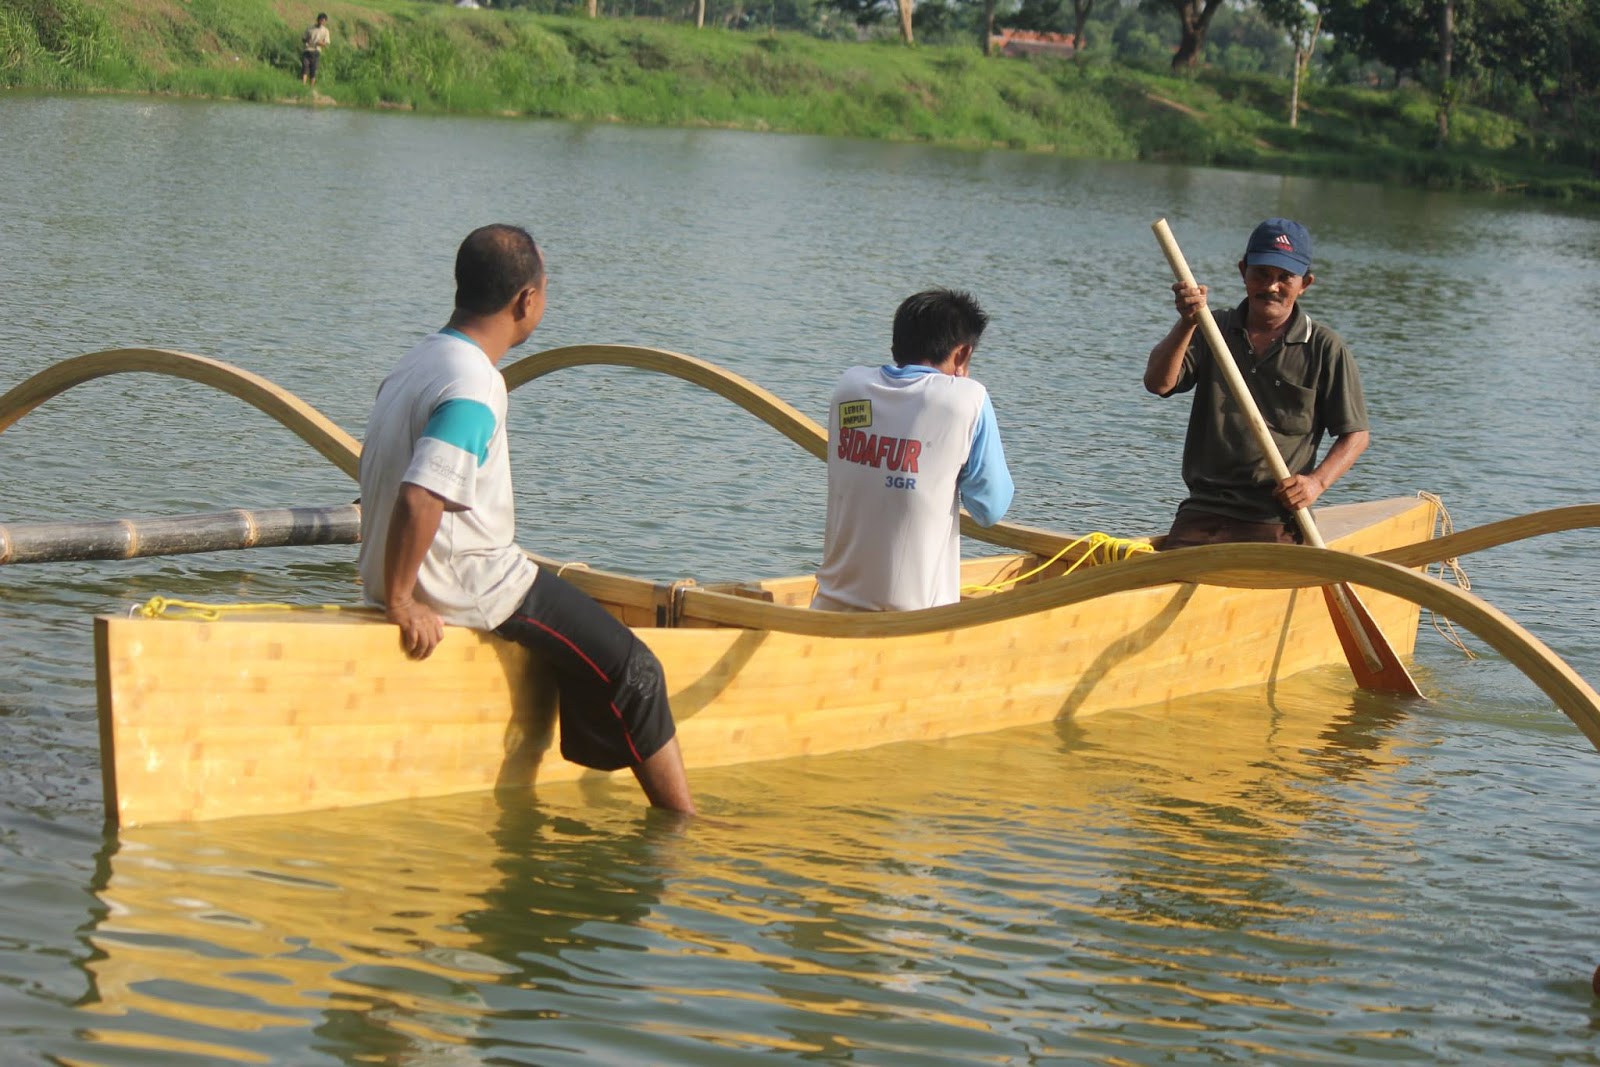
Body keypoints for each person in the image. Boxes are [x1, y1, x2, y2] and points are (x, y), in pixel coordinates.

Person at [357, 224, 695, 814]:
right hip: (471, 583)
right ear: (525, 301)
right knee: (636, 665)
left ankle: (584, 743)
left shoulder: (416, 361)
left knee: (586, 631)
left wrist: (391, 588)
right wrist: (403, 601)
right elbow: (420, 495)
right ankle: (683, 823)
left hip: (409, 571)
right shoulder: (474, 382)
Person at [1143, 218, 1370, 550]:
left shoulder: (1324, 347)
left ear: (1305, 283)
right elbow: (1158, 383)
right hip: (1204, 512)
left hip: (1276, 520)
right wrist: (1186, 324)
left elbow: (1356, 435)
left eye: (1284, 278)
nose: (1271, 286)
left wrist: (1315, 483)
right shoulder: (1211, 326)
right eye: (1262, 274)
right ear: (1243, 271)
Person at [812, 288, 1015, 612]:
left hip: (828, 610)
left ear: (897, 342)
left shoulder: (849, 387)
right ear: (962, 355)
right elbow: (989, 509)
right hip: (915, 623)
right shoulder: (967, 399)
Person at [300, 13, 330, 86]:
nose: (322, 22)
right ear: (318, 20)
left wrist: (318, 43)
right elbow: (303, 38)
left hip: (316, 51)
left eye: (324, 21)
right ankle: (303, 86)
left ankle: (311, 88)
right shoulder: (310, 28)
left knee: (313, 70)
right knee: (305, 68)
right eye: (321, 20)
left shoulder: (325, 31)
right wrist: (307, 40)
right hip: (307, 50)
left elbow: (326, 43)